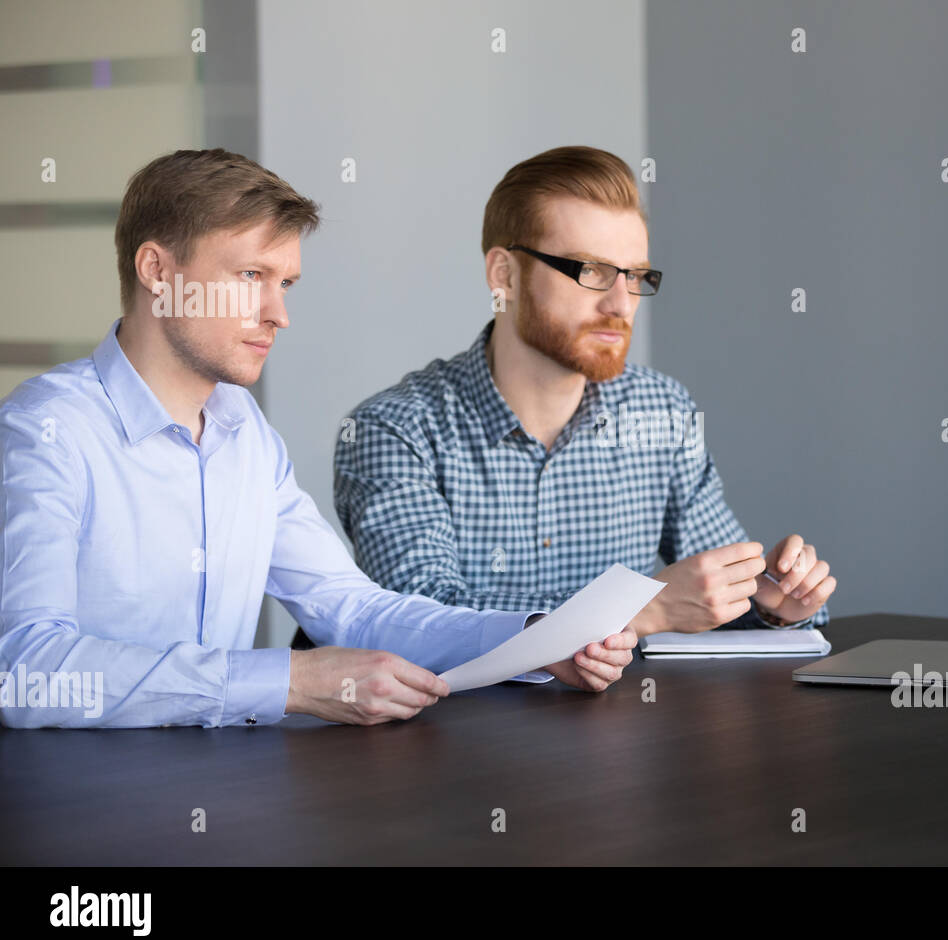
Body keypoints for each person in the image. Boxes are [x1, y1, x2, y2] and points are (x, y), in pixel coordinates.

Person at [0, 148, 635, 730]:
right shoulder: (48, 431)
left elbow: (352, 609)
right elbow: (29, 674)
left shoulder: (246, 434)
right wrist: (291, 680)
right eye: (251, 275)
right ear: (157, 271)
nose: (278, 313)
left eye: (286, 283)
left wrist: (536, 639)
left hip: (219, 802)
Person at [331, 146, 835, 646]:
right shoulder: (393, 430)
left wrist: (773, 604)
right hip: (454, 727)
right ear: (503, 275)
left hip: (625, 725)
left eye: (635, 275)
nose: (621, 303)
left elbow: (713, 599)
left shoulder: (661, 411)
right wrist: (640, 610)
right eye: (589, 271)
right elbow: (425, 628)